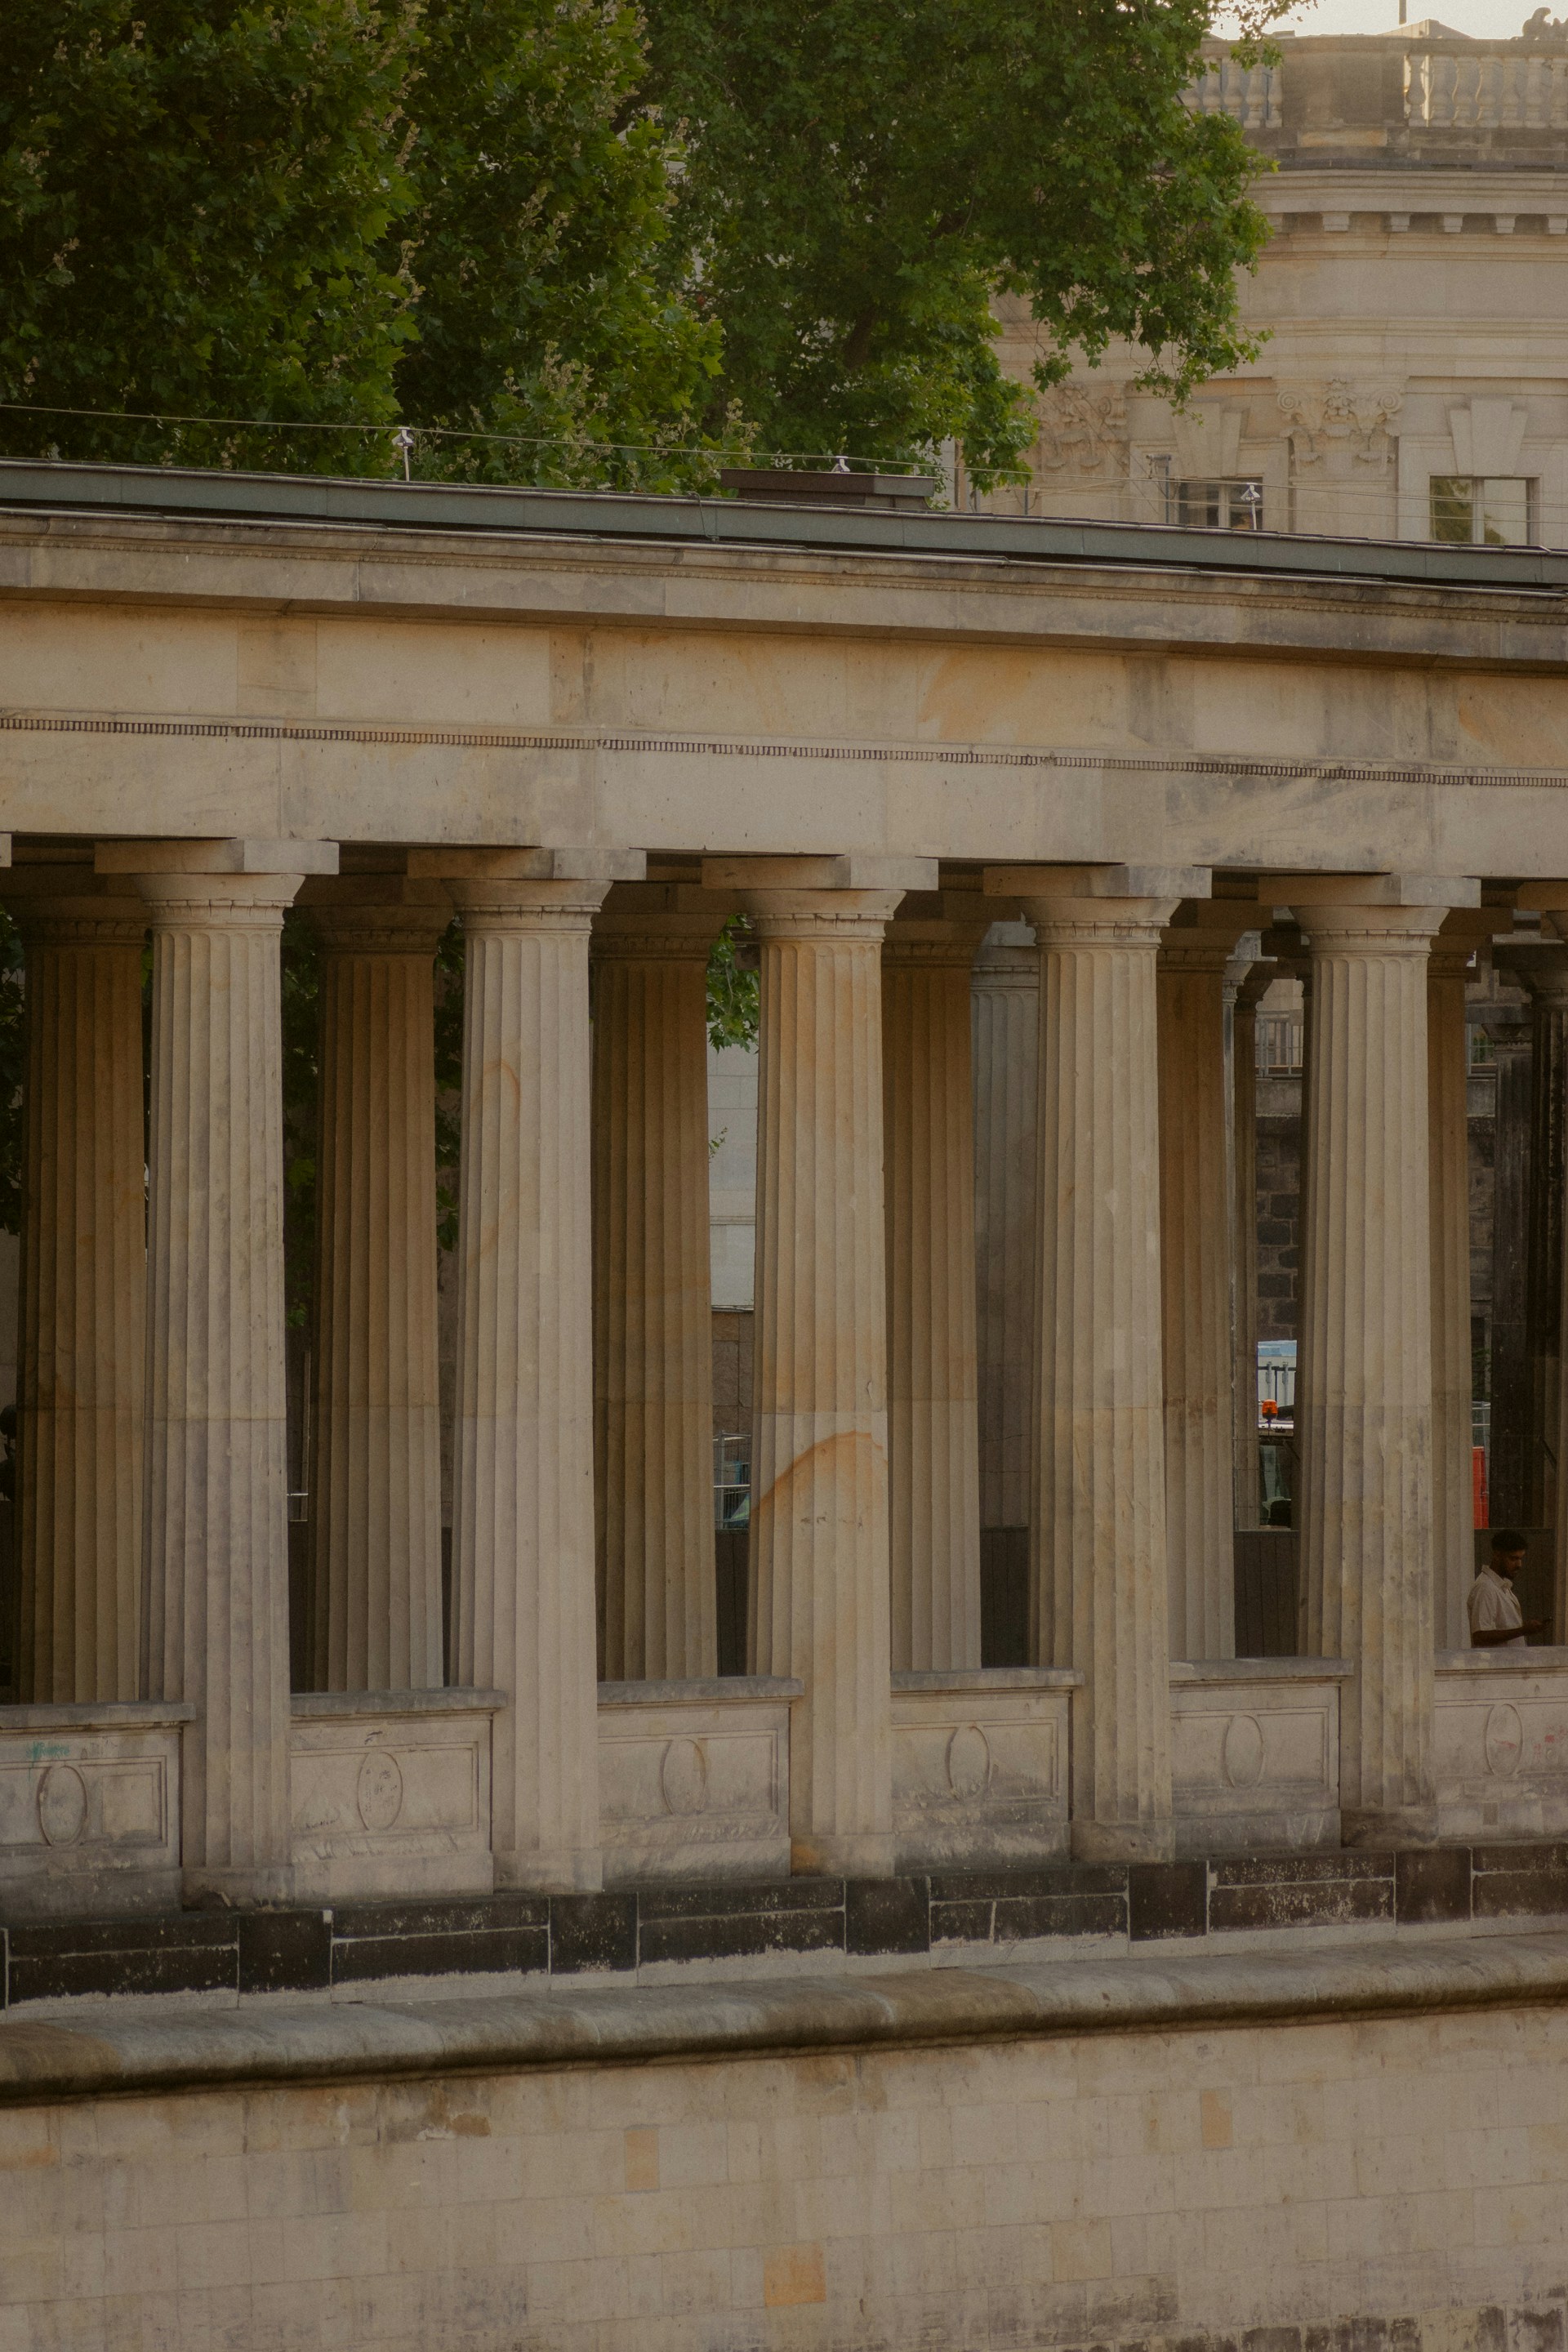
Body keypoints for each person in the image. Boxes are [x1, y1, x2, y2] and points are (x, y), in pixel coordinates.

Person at [1467, 1530, 1549, 1648]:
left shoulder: (1502, 1587)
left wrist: (1524, 1629)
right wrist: (1522, 1631)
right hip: (1495, 1665)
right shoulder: (1486, 1588)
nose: (1519, 1565)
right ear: (1497, 1555)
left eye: (1520, 1559)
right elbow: (1480, 1636)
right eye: (1513, 1559)